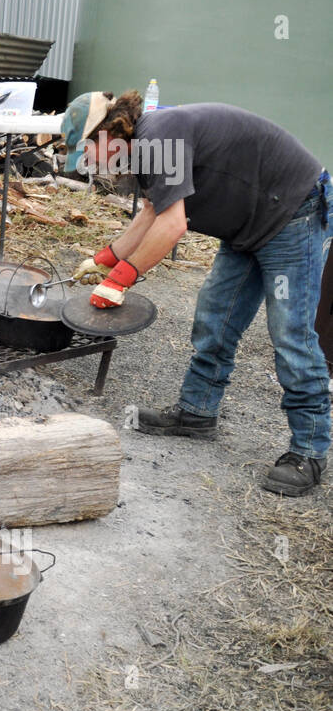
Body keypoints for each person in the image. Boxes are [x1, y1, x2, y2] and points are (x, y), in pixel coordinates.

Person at [63, 91, 331, 496]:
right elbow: (153, 213)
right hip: (248, 223)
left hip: (291, 210)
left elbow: (172, 228)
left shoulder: (158, 138)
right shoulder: (145, 145)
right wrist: (104, 259)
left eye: (88, 152)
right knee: (215, 317)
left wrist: (120, 279)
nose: (90, 163)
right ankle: (197, 413)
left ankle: (310, 451)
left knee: (291, 334)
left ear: (106, 134)